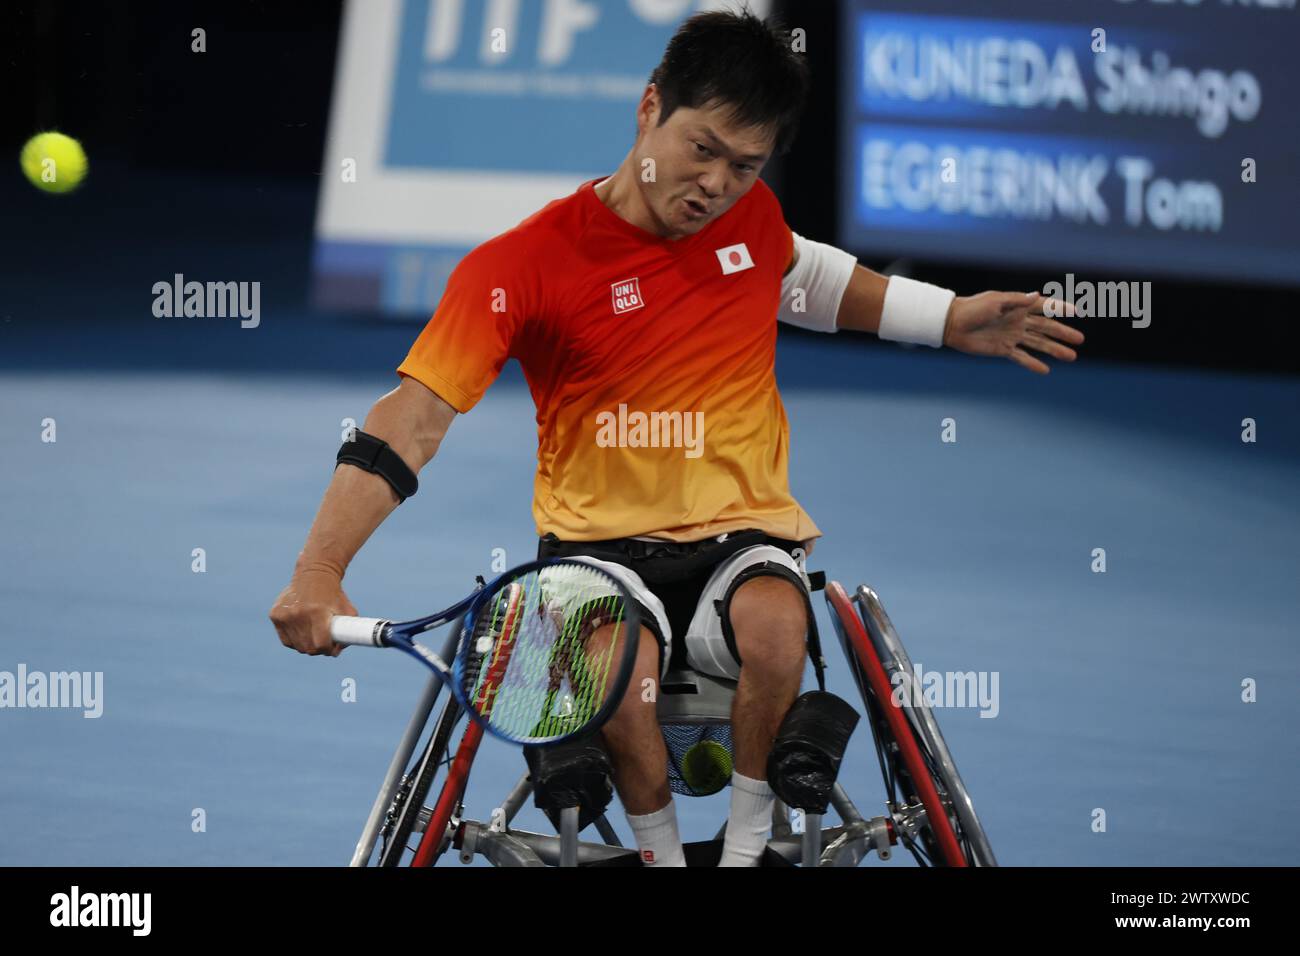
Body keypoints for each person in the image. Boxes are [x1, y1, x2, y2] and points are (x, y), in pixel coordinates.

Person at [269, 9, 1082, 867]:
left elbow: (806, 276)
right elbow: (414, 417)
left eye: (746, 166)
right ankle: (657, 857)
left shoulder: (749, 220)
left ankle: (740, 851)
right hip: (597, 547)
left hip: (744, 535)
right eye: (703, 149)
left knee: (776, 627)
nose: (718, 186)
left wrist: (948, 319)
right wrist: (320, 571)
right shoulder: (522, 264)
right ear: (649, 107)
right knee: (618, 670)